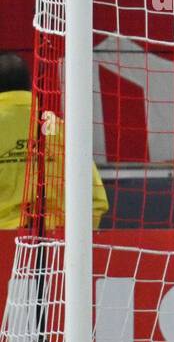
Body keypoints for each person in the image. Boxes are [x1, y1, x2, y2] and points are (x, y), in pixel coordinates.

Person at [0, 52, 109, 230]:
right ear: (29, 85)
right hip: (58, 241)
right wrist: (72, 237)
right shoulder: (62, 129)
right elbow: (96, 199)